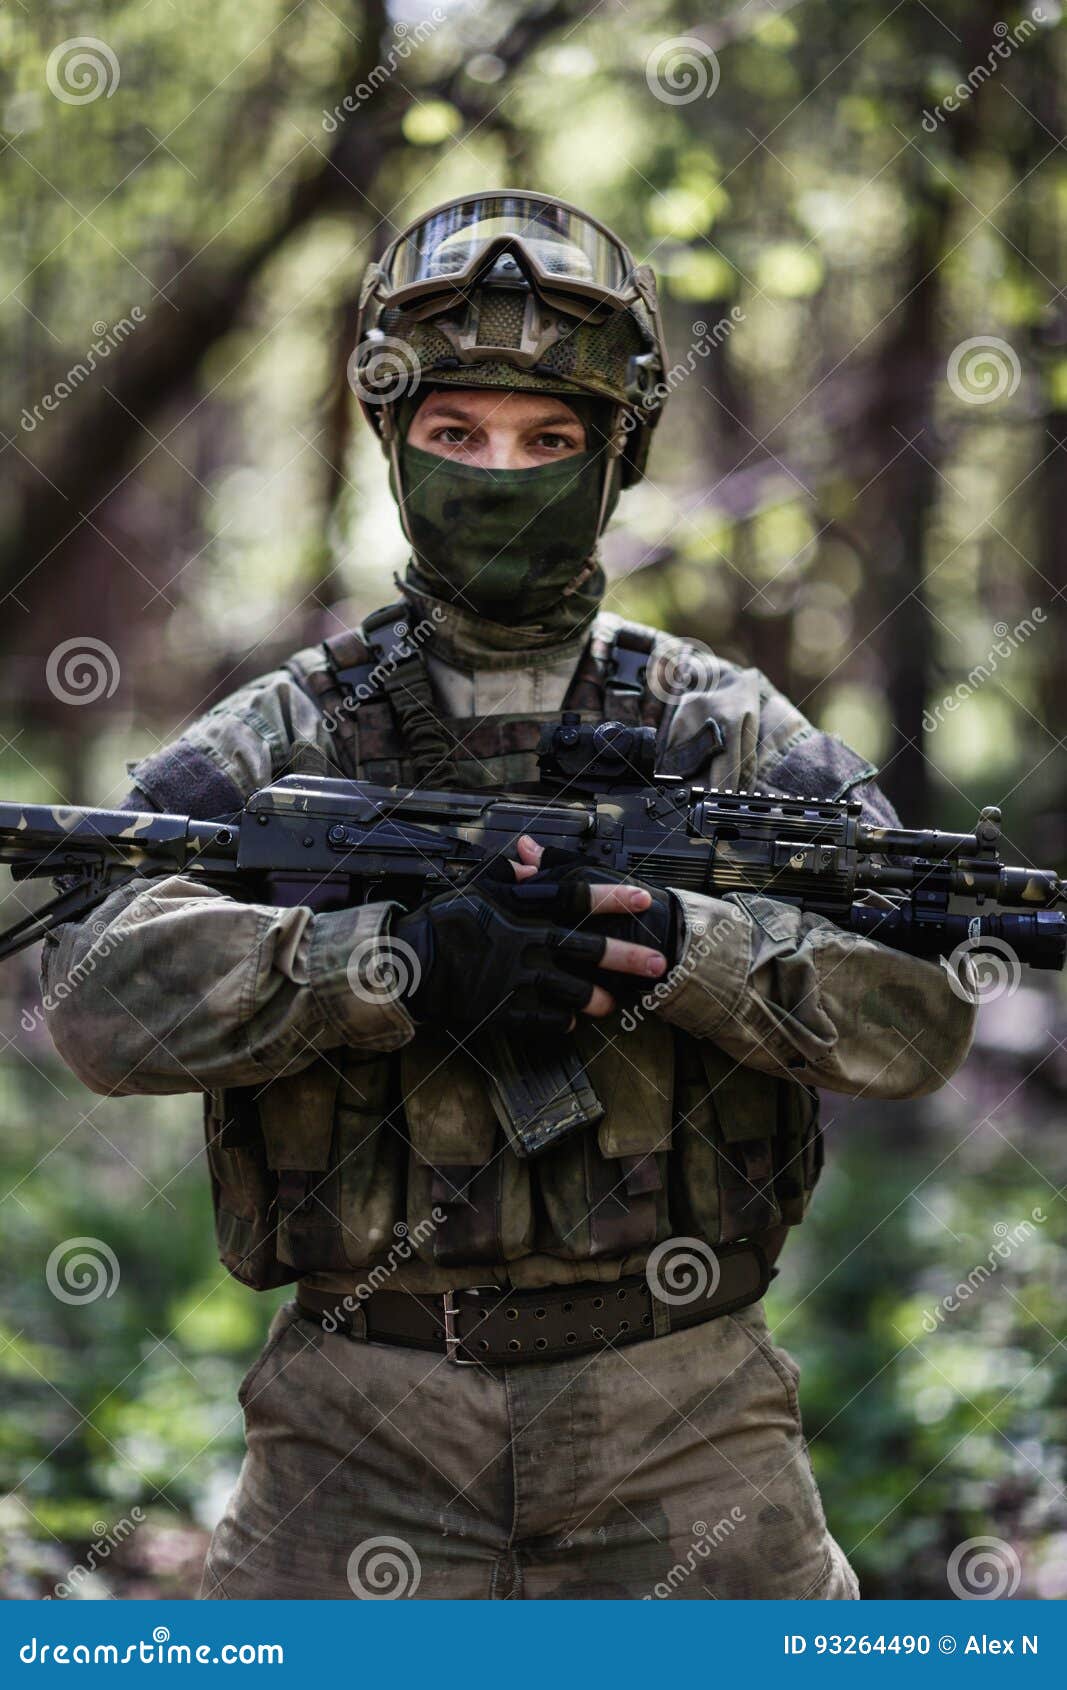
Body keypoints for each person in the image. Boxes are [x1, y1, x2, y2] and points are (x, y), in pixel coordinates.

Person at [42, 191, 975, 1601]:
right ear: (393, 441)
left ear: (617, 454)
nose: (503, 470)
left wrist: (688, 946)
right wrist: (390, 964)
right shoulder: (284, 734)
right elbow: (89, 989)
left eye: (552, 438)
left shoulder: (725, 727)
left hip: (687, 1417)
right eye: (457, 432)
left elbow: (919, 1011)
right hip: (359, 1422)